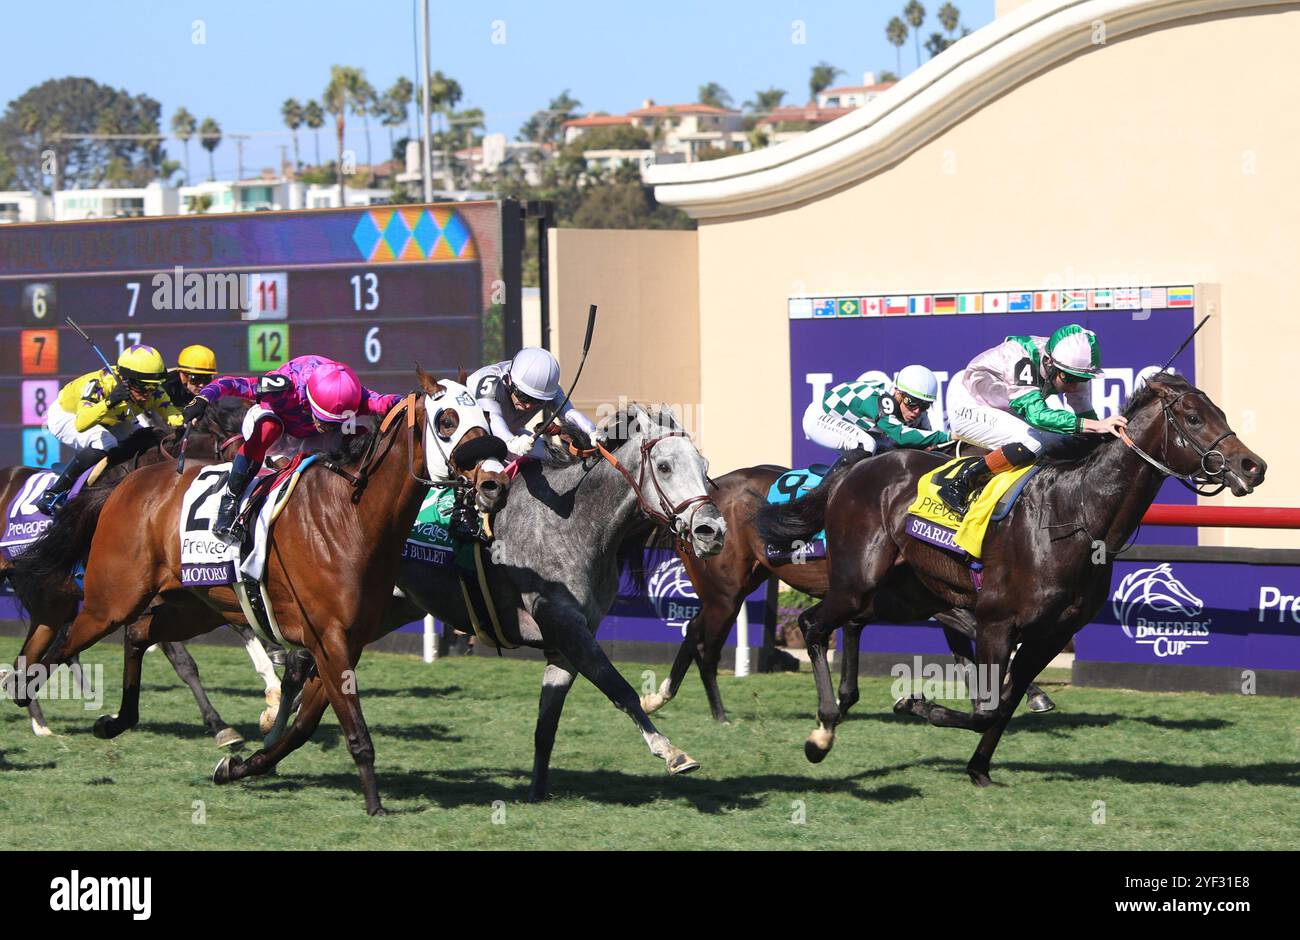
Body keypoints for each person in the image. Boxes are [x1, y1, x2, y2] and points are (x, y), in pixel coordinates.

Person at [182, 355, 401, 544]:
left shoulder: (356, 396)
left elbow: (392, 403)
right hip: (276, 424)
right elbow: (229, 384)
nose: (327, 425)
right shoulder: (286, 387)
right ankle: (229, 502)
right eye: (323, 419)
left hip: (310, 435)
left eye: (332, 421)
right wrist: (203, 398)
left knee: (359, 433)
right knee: (269, 427)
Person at [938, 324, 1128, 514]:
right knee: (1031, 442)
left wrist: (1105, 434)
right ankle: (959, 484)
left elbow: (1085, 416)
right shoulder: (1022, 359)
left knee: (1063, 440)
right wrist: (1097, 425)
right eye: (1068, 378)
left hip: (1003, 403)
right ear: (1049, 362)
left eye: (1081, 379)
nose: (1074, 386)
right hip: (969, 401)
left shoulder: (1072, 367)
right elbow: (1037, 416)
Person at [35, 345, 183, 515]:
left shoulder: (154, 391)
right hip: (69, 415)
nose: (148, 395)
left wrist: (191, 420)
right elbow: (81, 424)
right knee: (104, 441)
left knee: (146, 438)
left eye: (153, 387)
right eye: (143, 388)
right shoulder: (99, 385)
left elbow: (174, 418)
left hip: (112, 418)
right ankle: (53, 494)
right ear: (125, 381)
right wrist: (109, 401)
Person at [466, 346, 598, 458]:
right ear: (510, 382)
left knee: (551, 458)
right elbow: (494, 418)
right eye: (524, 397)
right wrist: (511, 442)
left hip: (510, 432)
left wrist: (592, 431)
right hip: (469, 437)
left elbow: (569, 413)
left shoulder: (550, 390)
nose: (528, 405)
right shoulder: (491, 383)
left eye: (537, 401)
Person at [802, 364, 950, 457]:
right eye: (912, 403)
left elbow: (928, 445)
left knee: (887, 450)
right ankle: (824, 492)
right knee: (867, 444)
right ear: (898, 393)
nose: (917, 411)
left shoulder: (918, 411)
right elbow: (901, 436)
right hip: (820, 418)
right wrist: (951, 435)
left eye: (924, 405)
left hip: (856, 424)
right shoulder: (882, 400)